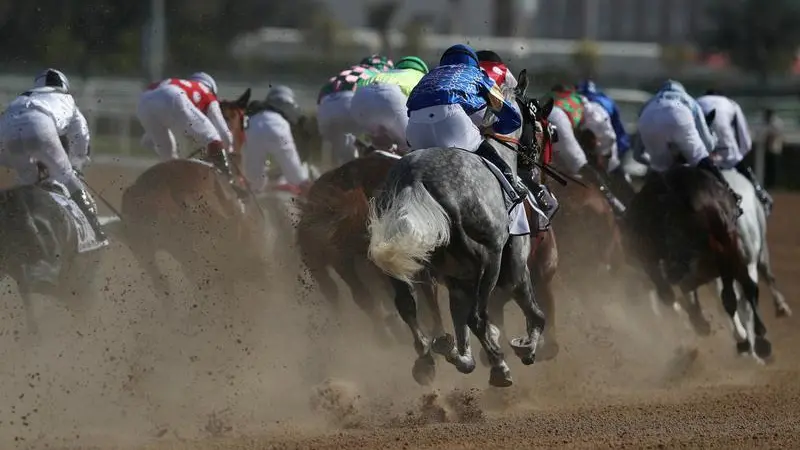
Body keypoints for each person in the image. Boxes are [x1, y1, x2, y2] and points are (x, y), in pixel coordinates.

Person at [405, 44, 528, 201]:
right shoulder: (478, 75)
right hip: (451, 120)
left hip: (415, 128)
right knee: (485, 149)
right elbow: (513, 119)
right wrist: (491, 128)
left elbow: (410, 109)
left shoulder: (429, 76)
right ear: (474, 63)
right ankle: (512, 188)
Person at [0, 68, 107, 244]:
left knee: (26, 184)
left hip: (6, 132)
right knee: (69, 179)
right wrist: (77, 166)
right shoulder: (66, 99)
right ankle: (96, 230)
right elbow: (81, 136)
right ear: (64, 85)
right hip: (40, 126)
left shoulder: (21, 98)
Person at [636, 80, 741, 212]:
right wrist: (712, 141)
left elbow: (637, 155)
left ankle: (632, 211)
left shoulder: (649, 103)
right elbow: (708, 144)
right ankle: (731, 195)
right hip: (679, 116)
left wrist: (655, 162)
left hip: (648, 119)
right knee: (701, 157)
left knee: (658, 172)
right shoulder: (689, 101)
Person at [547, 84, 625, 216]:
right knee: (581, 166)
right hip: (557, 119)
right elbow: (608, 140)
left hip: (543, 115)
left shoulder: (566, 98)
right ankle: (613, 201)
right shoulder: (593, 110)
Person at [137, 72, 234, 177]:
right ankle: (228, 179)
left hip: (143, 101)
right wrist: (228, 152)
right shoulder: (207, 93)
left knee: (169, 157)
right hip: (172, 95)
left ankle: (172, 181)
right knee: (213, 137)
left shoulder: (183, 85)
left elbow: (147, 141)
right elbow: (224, 134)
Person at [697, 89, 773, 214]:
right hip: (726, 151)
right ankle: (762, 196)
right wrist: (736, 158)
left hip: (702, 154)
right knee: (743, 168)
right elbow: (746, 143)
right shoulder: (732, 104)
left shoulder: (695, 102)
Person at [317, 55, 394, 166]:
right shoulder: (380, 74)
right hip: (350, 104)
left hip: (325, 109)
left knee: (340, 157)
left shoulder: (345, 72)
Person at [350, 56, 429, 153]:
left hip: (360, 97)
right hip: (391, 97)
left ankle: (379, 149)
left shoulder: (385, 73)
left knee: (380, 147)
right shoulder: (422, 77)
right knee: (410, 148)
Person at [241, 85, 311, 195]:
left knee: (254, 178)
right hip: (279, 128)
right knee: (297, 176)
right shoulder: (290, 109)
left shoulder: (259, 108)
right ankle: (313, 198)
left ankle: (251, 199)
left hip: (254, 127)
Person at [759, 108, 784, 189]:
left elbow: (773, 134)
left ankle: (774, 184)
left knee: (774, 168)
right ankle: (768, 184)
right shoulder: (766, 123)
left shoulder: (776, 123)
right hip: (767, 149)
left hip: (775, 148)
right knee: (768, 168)